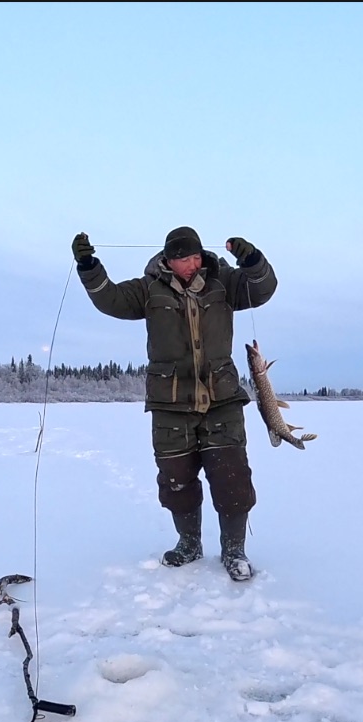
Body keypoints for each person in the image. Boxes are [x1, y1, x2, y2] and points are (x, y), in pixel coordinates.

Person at [72, 227, 277, 582]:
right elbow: (110, 299)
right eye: (184, 259)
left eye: (196, 257)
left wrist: (252, 260)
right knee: (176, 481)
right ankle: (189, 543)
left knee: (232, 478)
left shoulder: (223, 282)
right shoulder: (148, 289)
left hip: (222, 400)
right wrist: (89, 266)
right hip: (169, 403)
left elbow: (262, 289)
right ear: (168, 259)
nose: (193, 264)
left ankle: (234, 549)